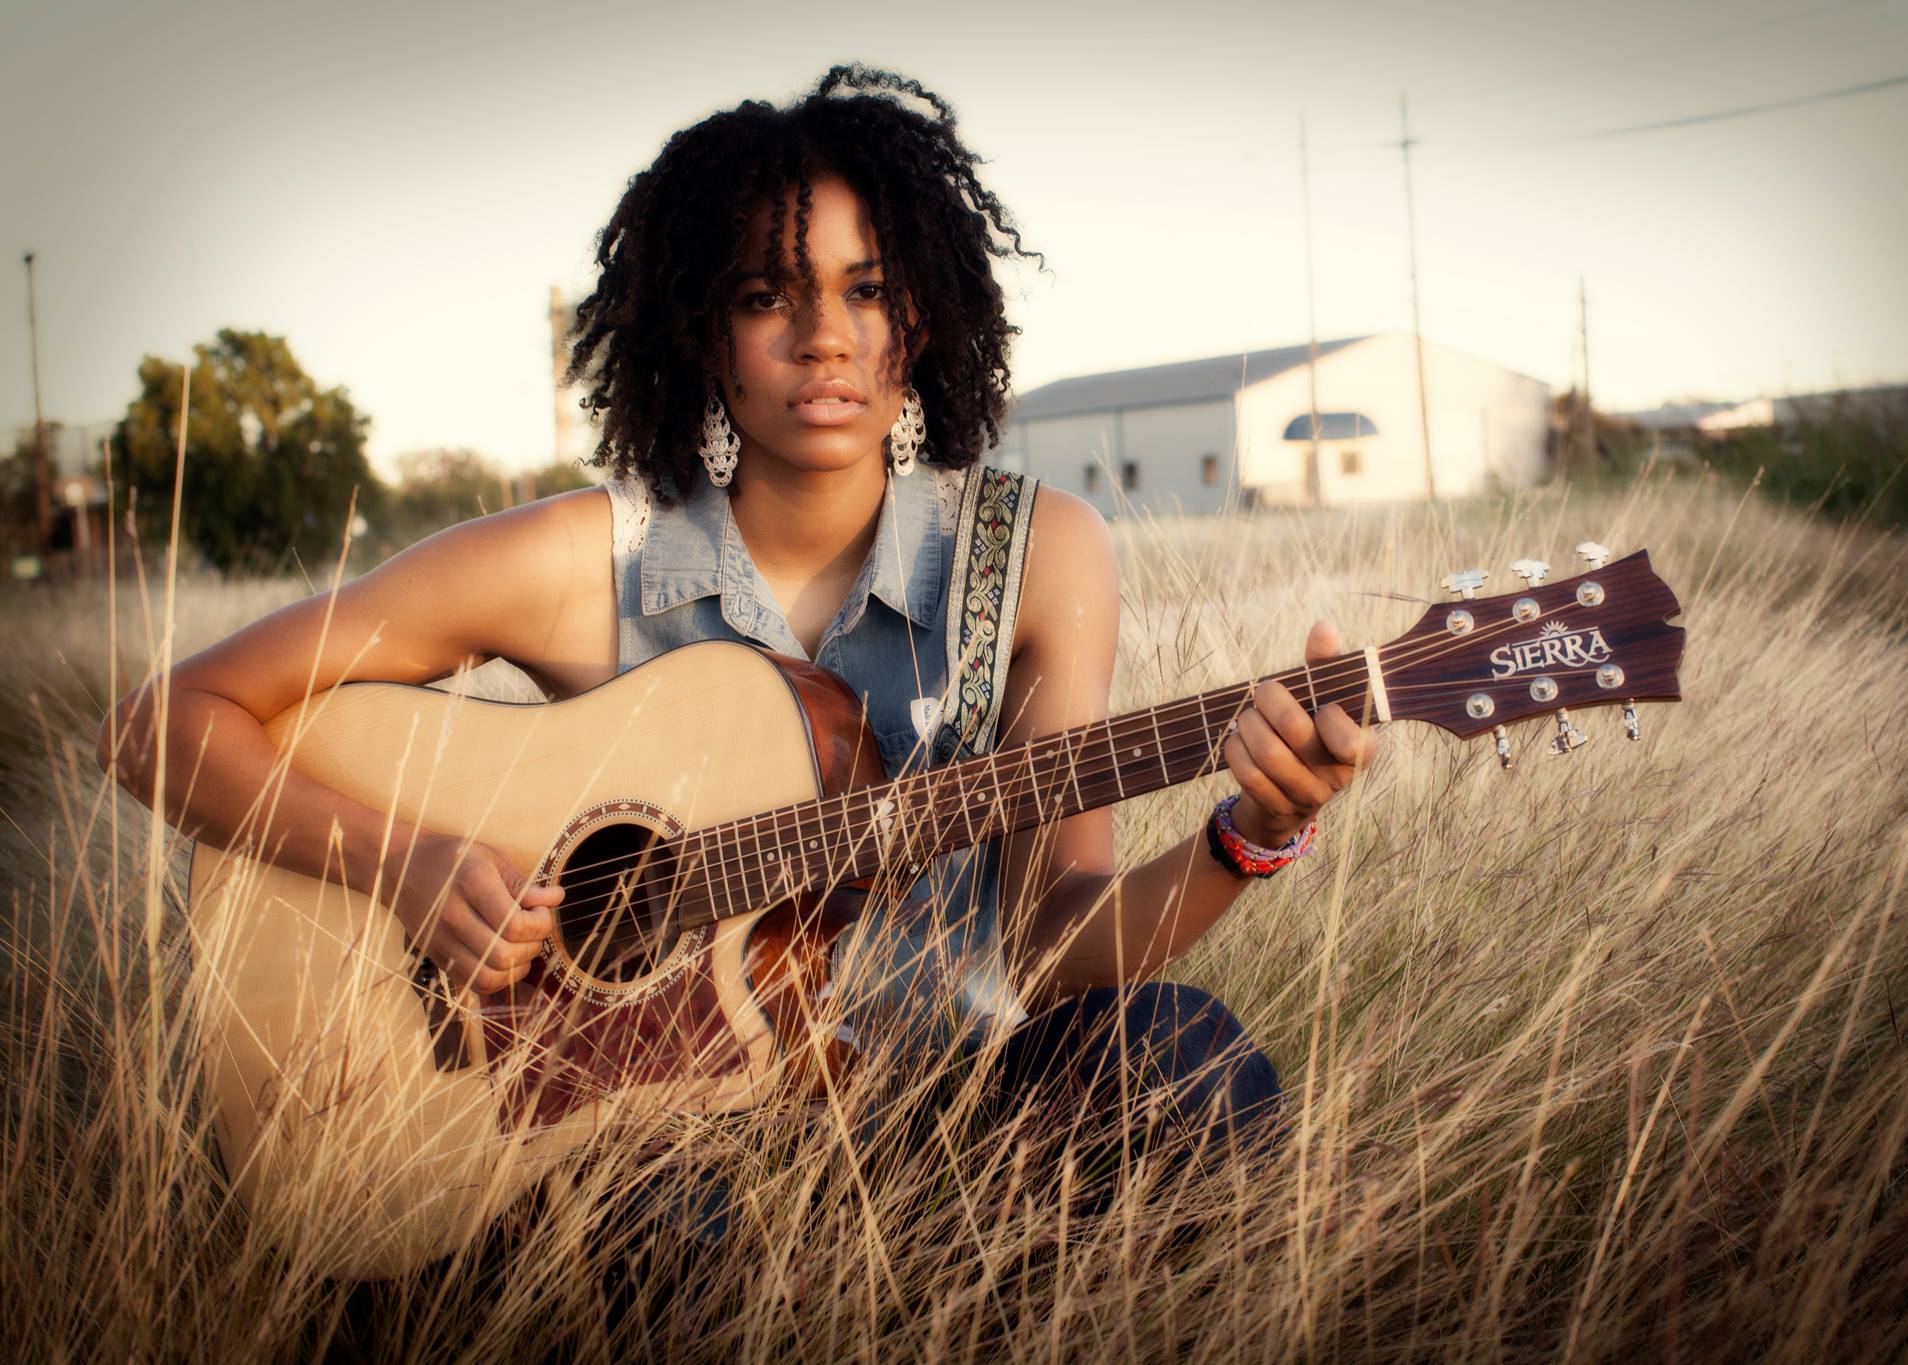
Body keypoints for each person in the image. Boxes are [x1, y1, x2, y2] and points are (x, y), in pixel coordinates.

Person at [98, 64, 1373, 1282]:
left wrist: (1247, 836)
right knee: (661, 1228)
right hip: (657, 1155)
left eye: (866, 289)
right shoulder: (579, 558)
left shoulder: (1034, 557)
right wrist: (408, 863)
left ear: (921, 310)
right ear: (700, 332)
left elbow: (1053, 943)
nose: (824, 337)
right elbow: (166, 721)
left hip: (938, 1116)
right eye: (767, 296)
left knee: (1185, 1061)